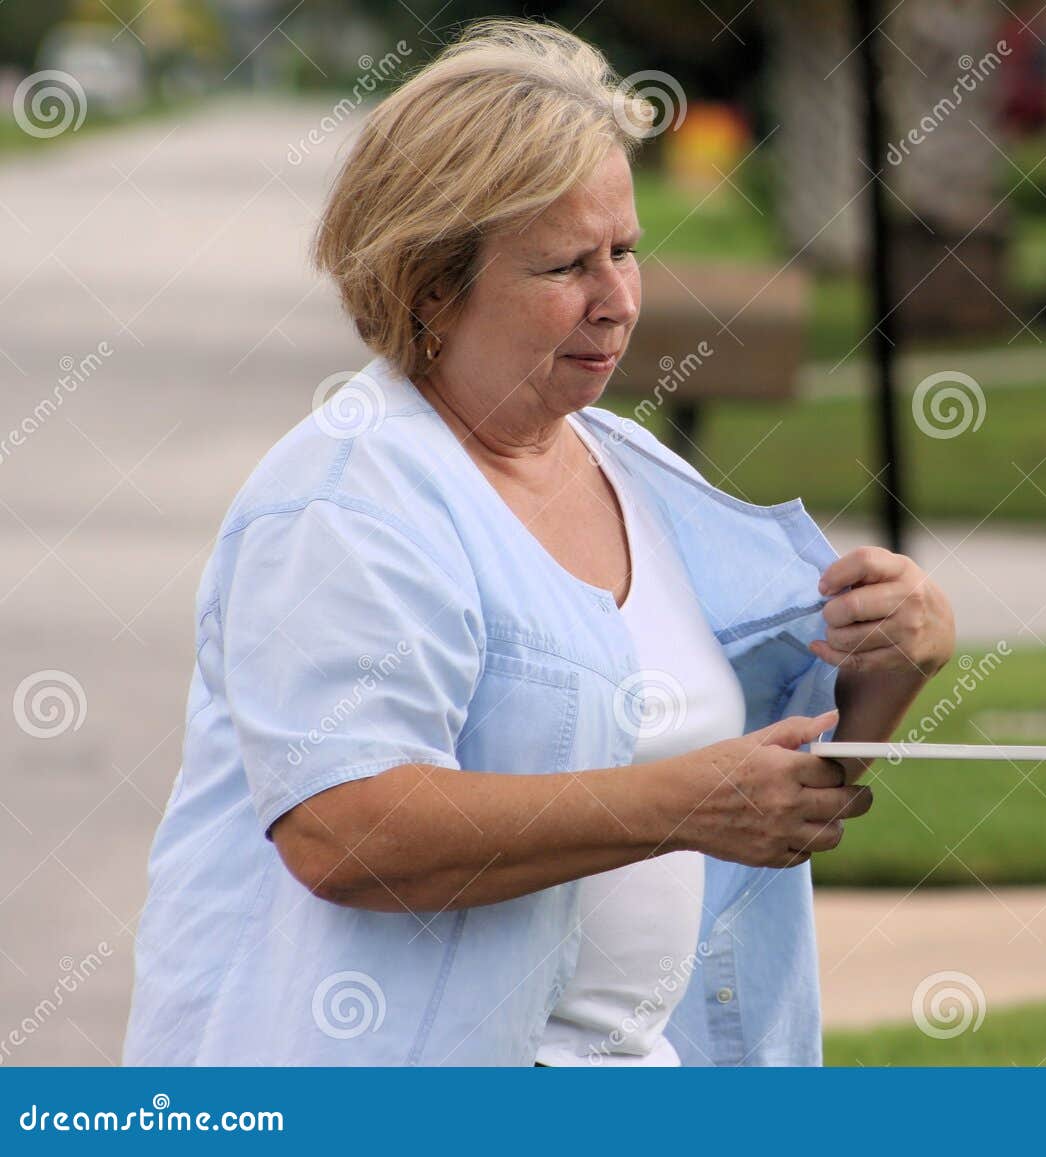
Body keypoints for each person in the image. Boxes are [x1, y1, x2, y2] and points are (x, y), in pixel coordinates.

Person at [122, 19, 955, 1067]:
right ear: (430, 286)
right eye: (564, 265)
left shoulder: (624, 463)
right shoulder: (345, 501)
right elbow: (344, 831)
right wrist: (678, 805)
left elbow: (770, 790)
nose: (616, 303)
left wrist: (897, 663)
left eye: (625, 250)